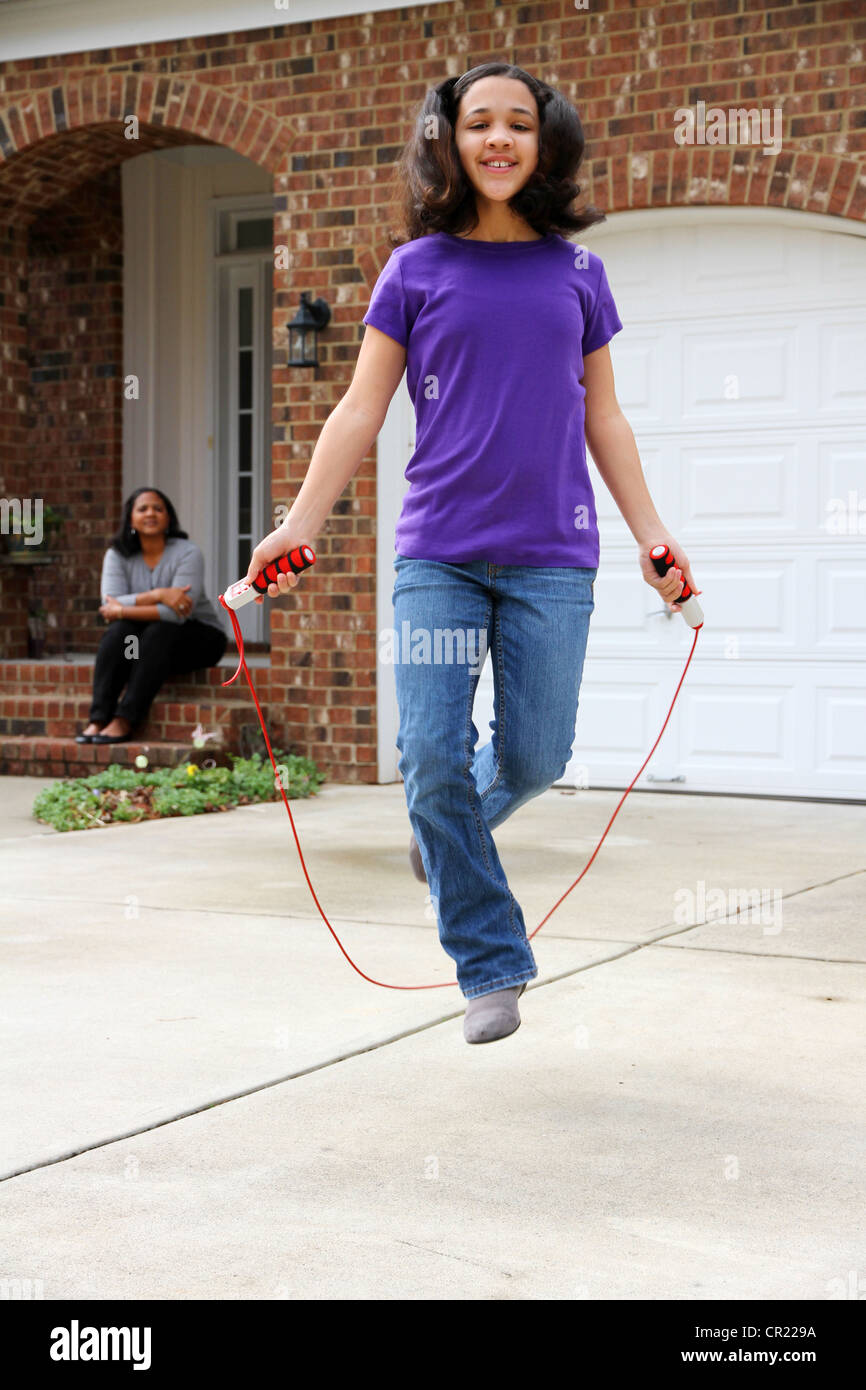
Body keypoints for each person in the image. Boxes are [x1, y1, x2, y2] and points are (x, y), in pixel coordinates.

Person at [244, 63, 700, 1045]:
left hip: (551, 560)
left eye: (517, 124)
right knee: (429, 756)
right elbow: (359, 408)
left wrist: (650, 535)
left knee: (536, 753)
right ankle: (490, 964)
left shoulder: (577, 274)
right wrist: (300, 520)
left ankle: (440, 837)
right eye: (476, 123)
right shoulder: (412, 270)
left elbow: (604, 416)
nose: (496, 139)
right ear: (446, 141)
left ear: (545, 143)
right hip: (439, 559)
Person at [75, 487, 227, 745]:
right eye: (142, 508)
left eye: (158, 508)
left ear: (169, 518)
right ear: (130, 518)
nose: (151, 513)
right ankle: (99, 719)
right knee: (118, 634)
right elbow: (108, 605)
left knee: (159, 630)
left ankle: (125, 719)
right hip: (146, 645)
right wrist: (157, 594)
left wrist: (123, 609)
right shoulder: (117, 555)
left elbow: (176, 614)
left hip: (200, 638)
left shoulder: (188, 553)